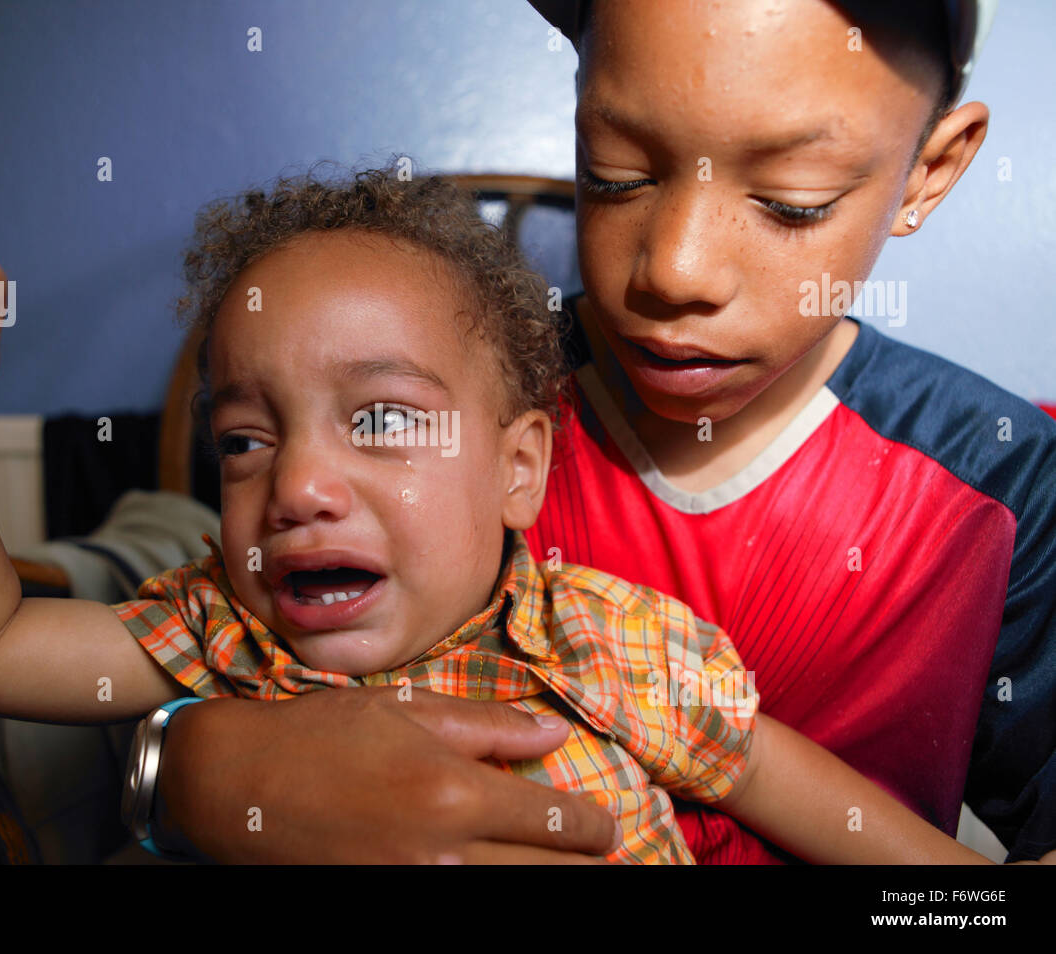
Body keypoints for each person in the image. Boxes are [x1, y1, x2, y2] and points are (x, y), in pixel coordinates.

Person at [0, 164, 995, 863]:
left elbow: (835, 816)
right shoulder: (221, 635)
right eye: (245, 439)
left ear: (520, 470)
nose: (297, 487)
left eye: (383, 419)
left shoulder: (609, 647)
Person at [123, 0, 1050, 866]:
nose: (676, 271)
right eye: (617, 175)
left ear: (930, 170)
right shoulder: (456, 404)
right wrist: (185, 770)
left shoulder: (999, 484)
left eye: (792, 199)